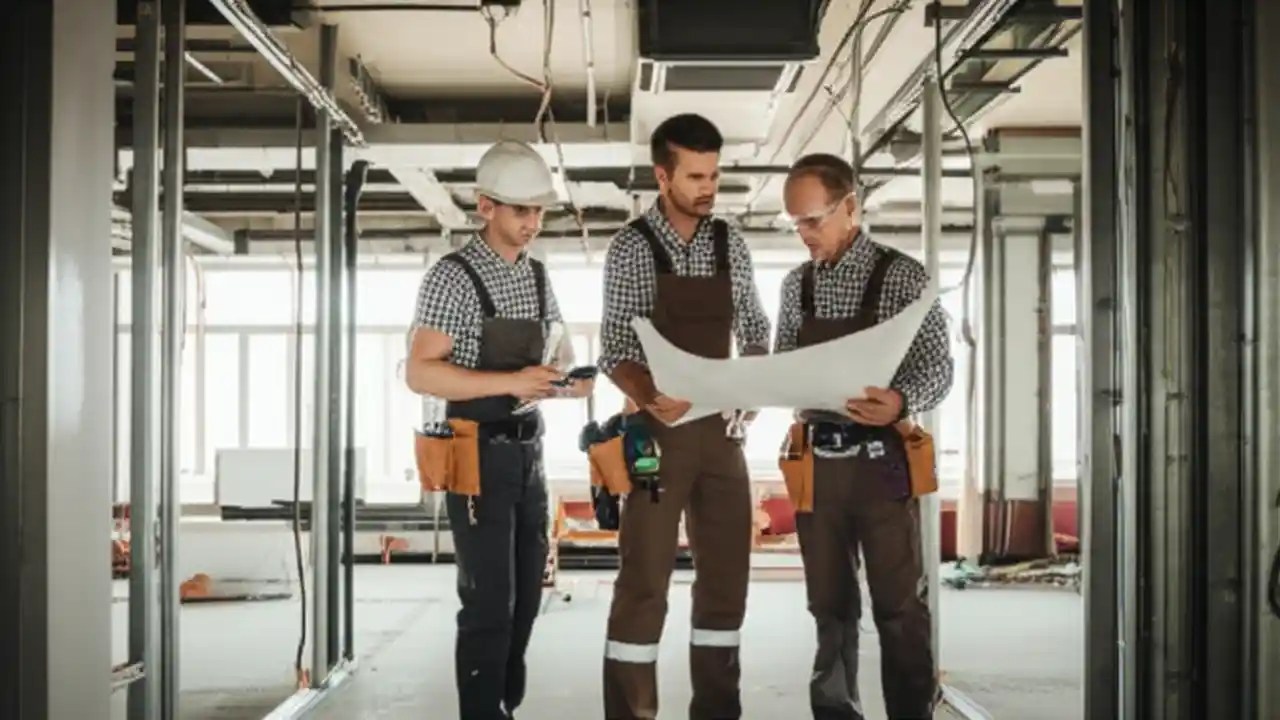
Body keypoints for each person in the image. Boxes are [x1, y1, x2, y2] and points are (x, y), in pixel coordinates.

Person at [404, 140, 593, 720]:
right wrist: (509, 384)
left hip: (528, 454)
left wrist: (562, 384)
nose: (532, 223)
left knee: (528, 598)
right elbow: (419, 372)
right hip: (474, 454)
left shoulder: (537, 277)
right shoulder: (452, 278)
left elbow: (548, 356)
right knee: (488, 602)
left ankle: (505, 704)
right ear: (485, 207)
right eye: (520, 210)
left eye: (538, 211)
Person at [598, 113, 771, 720]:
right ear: (662, 175)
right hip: (655, 434)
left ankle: (718, 711)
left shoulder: (731, 243)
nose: (708, 187)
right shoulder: (632, 248)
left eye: (714, 174)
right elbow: (615, 346)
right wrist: (648, 395)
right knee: (644, 582)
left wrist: (751, 381)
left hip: (724, 437)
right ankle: (630, 713)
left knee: (726, 584)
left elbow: (754, 329)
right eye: (695, 175)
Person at [774, 153, 954, 720]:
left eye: (814, 220)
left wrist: (901, 401)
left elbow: (938, 368)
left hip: (883, 463)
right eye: (796, 224)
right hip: (817, 466)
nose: (804, 235)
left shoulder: (904, 278)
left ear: (850, 207)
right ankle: (834, 712)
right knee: (829, 606)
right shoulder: (794, 286)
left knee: (899, 609)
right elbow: (784, 365)